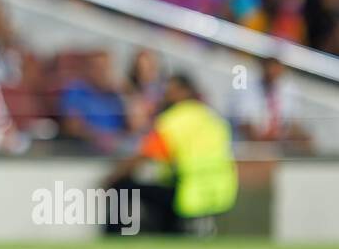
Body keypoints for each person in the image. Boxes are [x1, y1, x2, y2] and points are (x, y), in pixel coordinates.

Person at [101, 74, 238, 234]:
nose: (165, 95)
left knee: (123, 187)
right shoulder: (213, 117)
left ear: (183, 92)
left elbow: (145, 155)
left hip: (187, 192)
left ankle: (116, 237)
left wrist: (113, 178)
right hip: (221, 193)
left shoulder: (172, 120)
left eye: (169, 91)